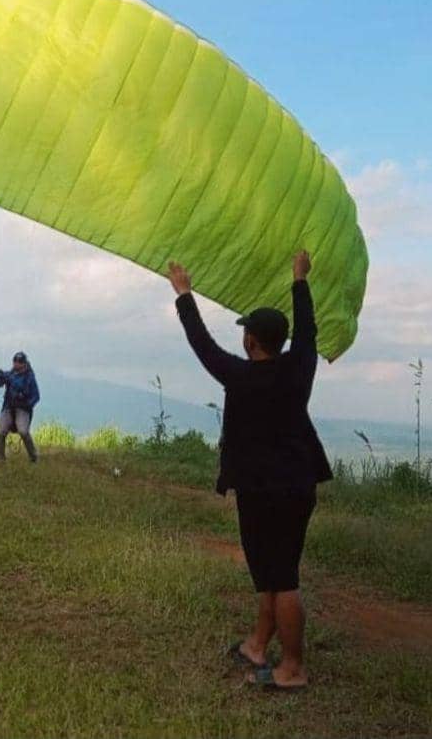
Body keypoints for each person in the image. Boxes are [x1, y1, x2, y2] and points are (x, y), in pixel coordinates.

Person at [168, 251, 331, 691]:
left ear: (252, 341)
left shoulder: (240, 375)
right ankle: (258, 645)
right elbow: (308, 330)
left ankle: (292, 668)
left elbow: (202, 344)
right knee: (269, 572)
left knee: (282, 578)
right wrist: (300, 280)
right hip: (298, 485)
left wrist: (184, 294)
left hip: (262, 490)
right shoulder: (300, 367)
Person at [0, 352, 40, 463]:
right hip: (8, 407)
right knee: (1, 431)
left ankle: (33, 456)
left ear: (24, 363)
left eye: (19, 362)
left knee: (23, 431)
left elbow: (36, 396)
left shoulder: (30, 378)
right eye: (15, 361)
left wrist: (27, 404)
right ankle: (0, 458)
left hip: (23, 409)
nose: (17, 364)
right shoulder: (9, 374)